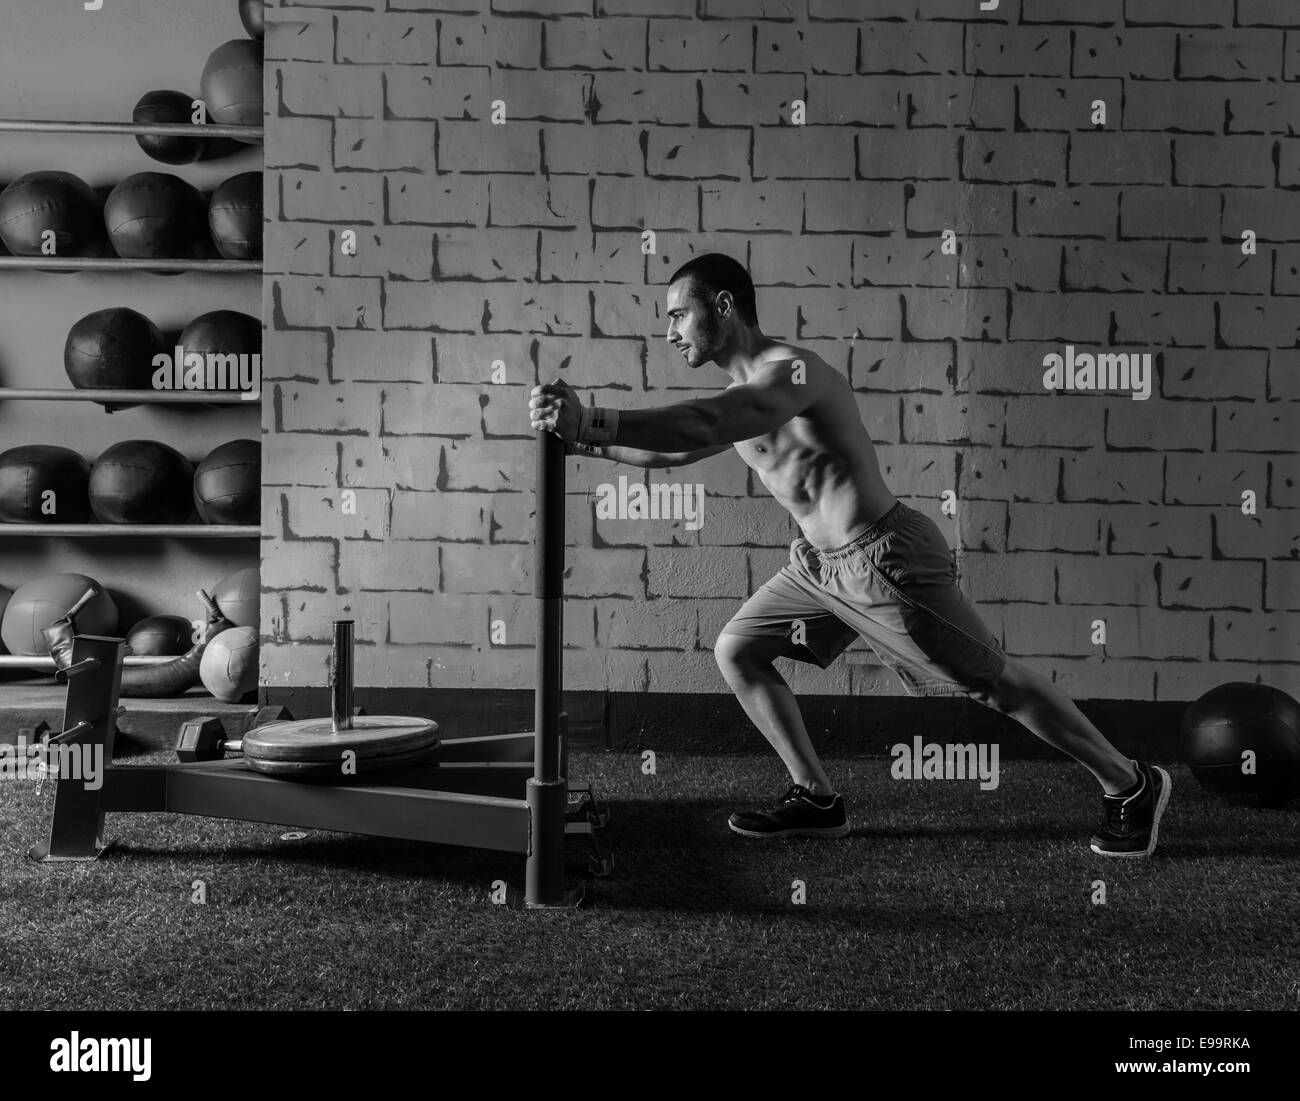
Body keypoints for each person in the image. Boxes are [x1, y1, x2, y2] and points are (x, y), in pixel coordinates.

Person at [528, 253, 1170, 857]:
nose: (668, 330)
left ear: (723, 306)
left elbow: (705, 424)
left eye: (676, 314)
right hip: (818, 568)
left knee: (992, 684)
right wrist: (582, 439)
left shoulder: (789, 373)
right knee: (738, 649)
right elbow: (676, 450)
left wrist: (598, 420)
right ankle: (816, 796)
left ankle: (1129, 782)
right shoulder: (744, 392)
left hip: (887, 564)